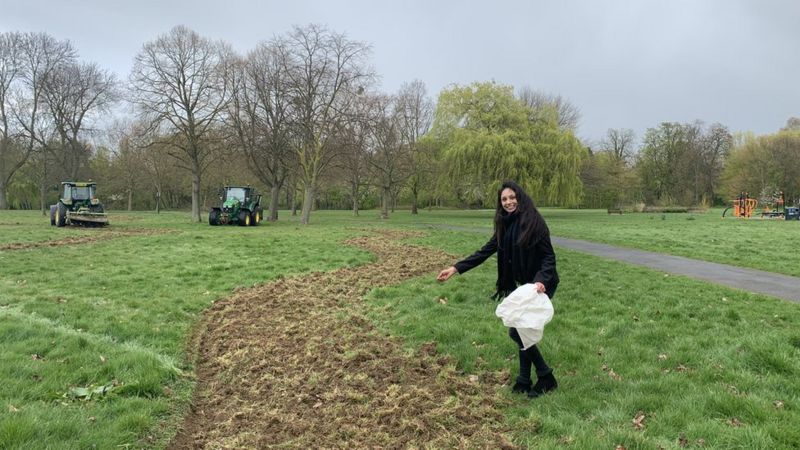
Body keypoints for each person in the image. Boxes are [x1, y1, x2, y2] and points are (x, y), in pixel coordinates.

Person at [437, 180, 559, 398]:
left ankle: (546, 376)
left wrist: (541, 281)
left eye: (512, 197)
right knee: (520, 328)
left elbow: (549, 257)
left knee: (518, 330)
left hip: (541, 283)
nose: (509, 202)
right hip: (523, 285)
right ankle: (524, 380)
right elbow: (486, 250)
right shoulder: (504, 223)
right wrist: (455, 268)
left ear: (520, 197)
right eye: (504, 199)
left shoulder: (534, 222)